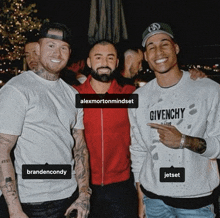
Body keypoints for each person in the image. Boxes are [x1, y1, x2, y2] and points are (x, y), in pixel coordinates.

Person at [128, 22, 220, 218]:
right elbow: (138, 150)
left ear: (176, 48)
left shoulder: (208, 90)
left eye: (164, 44)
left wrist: (184, 141)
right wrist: (140, 196)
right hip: (154, 201)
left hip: (196, 203)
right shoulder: (139, 98)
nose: (158, 51)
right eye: (151, 47)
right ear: (145, 56)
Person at [0, 22, 90, 218]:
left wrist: (84, 194)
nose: (57, 54)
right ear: (38, 49)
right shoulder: (16, 90)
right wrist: (14, 210)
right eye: (51, 46)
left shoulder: (73, 94)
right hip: (32, 203)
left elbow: (80, 147)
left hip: (69, 198)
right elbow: (2, 149)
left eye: (63, 48)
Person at [74, 40, 138, 218]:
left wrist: (194, 77)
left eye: (110, 58)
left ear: (117, 63)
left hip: (122, 186)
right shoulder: (73, 94)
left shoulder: (130, 94)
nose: (104, 63)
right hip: (82, 186)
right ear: (89, 62)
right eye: (98, 57)